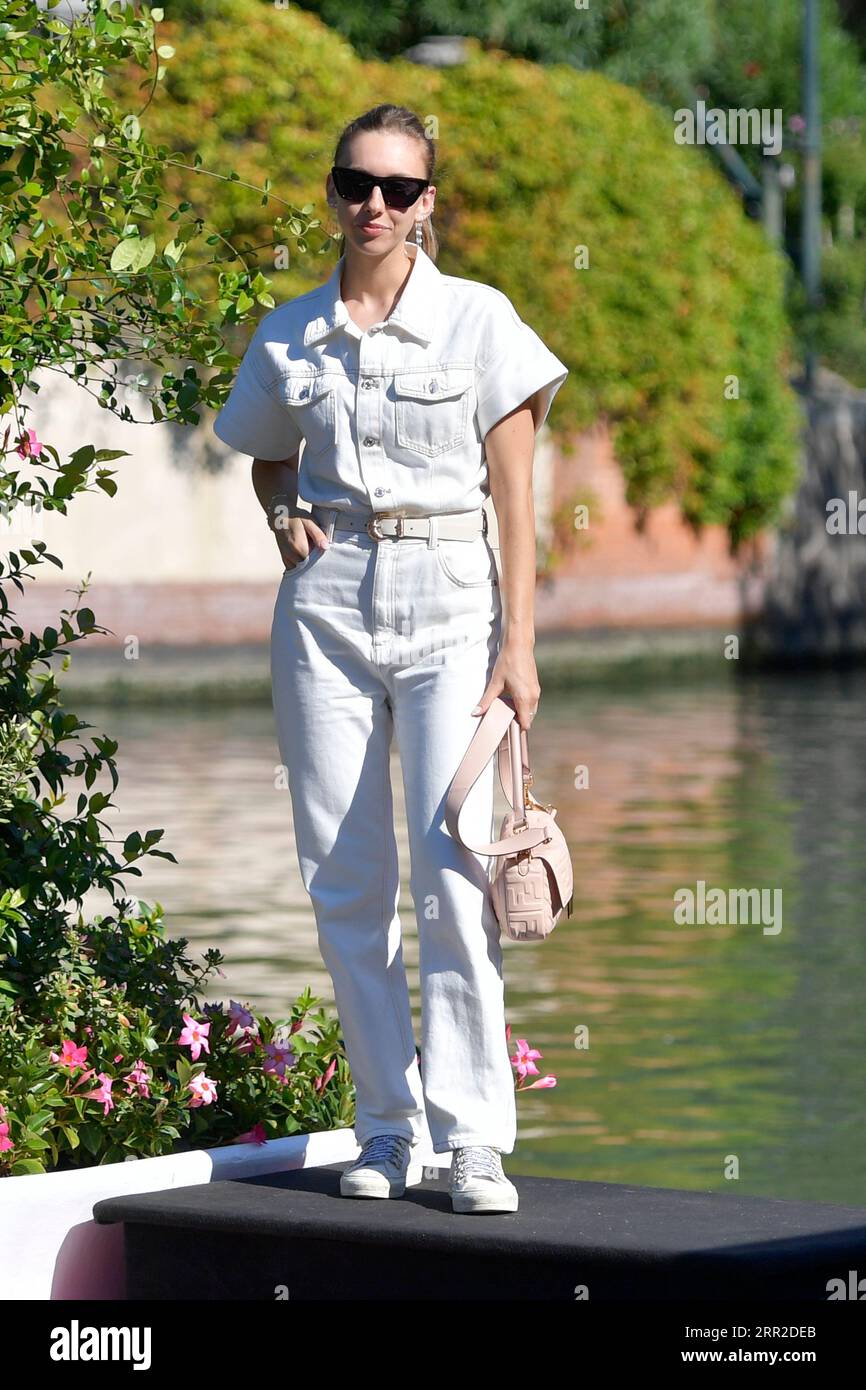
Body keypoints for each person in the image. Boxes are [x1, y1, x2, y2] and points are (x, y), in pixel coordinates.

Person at [213, 103, 568, 1215]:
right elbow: (269, 457)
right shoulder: (288, 333)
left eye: (398, 189)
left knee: (457, 876)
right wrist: (281, 517)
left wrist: (519, 648)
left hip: (452, 603)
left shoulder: (478, 321)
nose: (373, 204)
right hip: (323, 607)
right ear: (332, 192)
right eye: (354, 183)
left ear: (428, 205)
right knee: (343, 880)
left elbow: (513, 496)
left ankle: (473, 1141)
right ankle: (384, 1127)